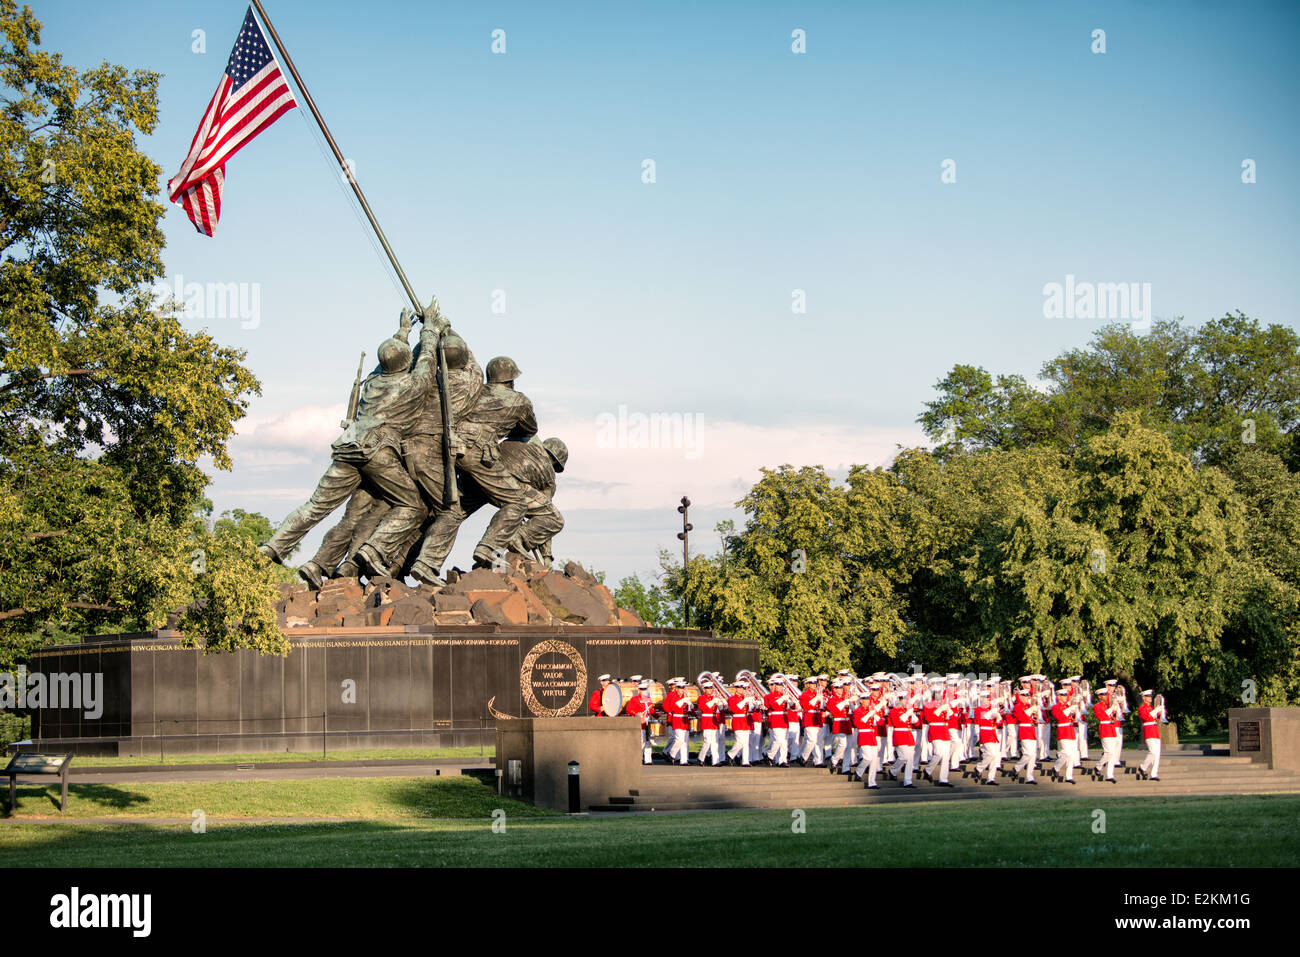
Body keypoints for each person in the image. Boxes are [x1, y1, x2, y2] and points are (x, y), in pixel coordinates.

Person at [260, 312, 448, 570]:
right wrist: (431, 329)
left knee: (316, 506)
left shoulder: (373, 381)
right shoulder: (413, 384)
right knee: (412, 505)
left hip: (348, 445)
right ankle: (373, 550)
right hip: (377, 450)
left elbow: (386, 361)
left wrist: (403, 331)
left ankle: (272, 546)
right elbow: (427, 359)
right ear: (405, 363)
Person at [1093, 682, 1122, 782]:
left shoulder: (1109, 705)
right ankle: (1098, 766)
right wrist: (1112, 708)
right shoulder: (1097, 706)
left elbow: (1115, 716)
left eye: (1106, 694)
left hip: (1112, 728)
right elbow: (1102, 717)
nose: (1106, 696)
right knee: (1108, 752)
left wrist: (1117, 706)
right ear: (1099, 696)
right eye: (1104, 695)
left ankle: (1109, 775)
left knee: (1112, 753)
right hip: (1105, 728)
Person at [1050, 682, 1079, 784]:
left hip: (1070, 731)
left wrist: (1075, 709)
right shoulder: (1055, 707)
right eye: (1063, 695)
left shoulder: (1069, 706)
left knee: (1071, 755)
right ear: (1058, 697)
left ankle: (1069, 776)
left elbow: (1074, 719)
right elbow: (1060, 717)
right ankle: (1056, 767)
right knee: (1066, 753)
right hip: (1063, 731)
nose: (1065, 697)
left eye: (1066, 695)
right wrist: (1069, 709)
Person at [973, 687, 1003, 785]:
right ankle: (979, 768)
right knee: (992, 754)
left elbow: (999, 722)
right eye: (985, 698)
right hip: (985, 733)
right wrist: (993, 711)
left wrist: (998, 715)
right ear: (981, 699)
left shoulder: (992, 709)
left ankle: (991, 778)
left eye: (988, 698)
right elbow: (983, 719)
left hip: (993, 734)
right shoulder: (978, 709)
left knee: (995, 756)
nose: (987, 700)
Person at [888, 694, 918, 787]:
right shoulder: (894, 711)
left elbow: (916, 722)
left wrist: (911, 713)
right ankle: (893, 770)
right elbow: (897, 723)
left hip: (908, 735)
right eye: (904, 700)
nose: (906, 702)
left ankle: (908, 781)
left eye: (906, 700)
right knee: (903, 757)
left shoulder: (907, 710)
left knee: (910, 759)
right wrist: (907, 713)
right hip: (899, 735)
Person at [625, 681, 658, 765]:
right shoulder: (634, 699)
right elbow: (628, 710)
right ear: (639, 690)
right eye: (642, 689)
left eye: (645, 689)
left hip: (647, 722)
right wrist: (636, 713)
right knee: (641, 741)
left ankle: (648, 760)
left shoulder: (649, 699)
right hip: (639, 723)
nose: (643, 690)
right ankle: (639, 758)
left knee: (648, 741)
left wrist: (657, 715)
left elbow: (651, 710)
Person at [1012, 686, 1039, 784]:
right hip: (1024, 729)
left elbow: (1033, 718)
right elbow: (1021, 718)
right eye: (1024, 695)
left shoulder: (1029, 706)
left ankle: (1029, 777)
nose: (1026, 697)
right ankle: (1017, 767)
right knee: (1028, 754)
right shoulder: (1017, 706)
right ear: (1020, 696)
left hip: (1031, 730)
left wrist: (1036, 716)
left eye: (1027, 695)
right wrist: (1031, 709)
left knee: (1033, 755)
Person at [764, 674, 791, 766]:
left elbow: (793, 707)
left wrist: (792, 702)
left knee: (784, 742)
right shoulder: (770, 696)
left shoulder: (785, 695)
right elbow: (774, 706)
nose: (780, 687)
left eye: (782, 685)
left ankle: (782, 761)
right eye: (778, 685)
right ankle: (770, 755)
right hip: (776, 719)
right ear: (775, 686)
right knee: (778, 740)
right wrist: (782, 698)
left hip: (785, 719)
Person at [1137, 690, 1164, 781]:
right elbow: (1146, 718)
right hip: (1148, 731)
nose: (1150, 698)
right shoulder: (1142, 708)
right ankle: (1142, 767)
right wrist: (1156, 710)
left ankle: (1154, 774)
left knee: (1157, 754)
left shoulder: (1152, 707)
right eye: (1148, 696)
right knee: (1152, 752)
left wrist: (1160, 712)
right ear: (1144, 698)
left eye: (1150, 696)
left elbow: (1158, 719)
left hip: (1155, 731)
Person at [726, 682, 754, 766]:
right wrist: (745, 700)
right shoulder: (732, 698)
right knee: (740, 741)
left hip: (746, 721)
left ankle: (745, 761)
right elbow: (735, 709)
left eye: (743, 688)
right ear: (736, 689)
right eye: (740, 688)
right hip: (738, 720)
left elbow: (751, 710)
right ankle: (730, 754)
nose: (743, 690)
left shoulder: (744, 698)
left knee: (746, 743)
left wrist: (752, 703)